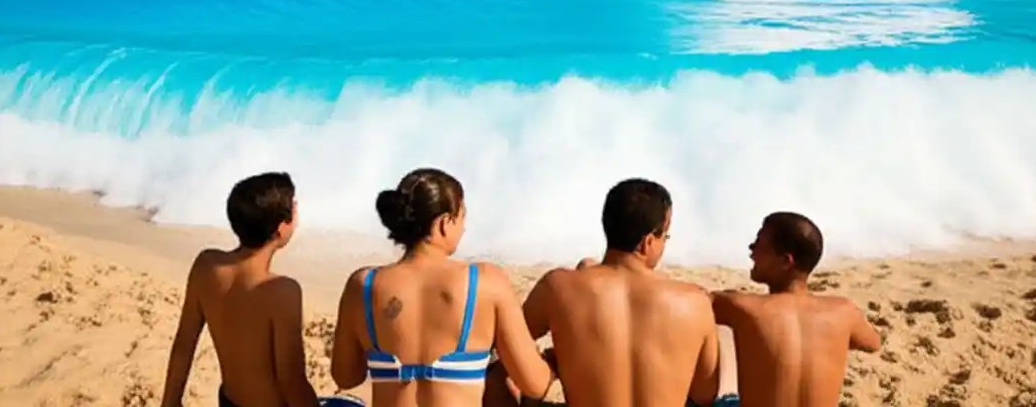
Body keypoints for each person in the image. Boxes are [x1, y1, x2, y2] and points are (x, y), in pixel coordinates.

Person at [330, 167, 555, 407]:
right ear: (444, 223)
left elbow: (346, 376)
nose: (464, 228)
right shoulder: (485, 281)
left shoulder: (363, 285)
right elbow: (535, 383)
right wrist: (553, 362)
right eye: (462, 217)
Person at [492, 178, 721, 407]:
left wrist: (552, 363)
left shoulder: (558, 287)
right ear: (647, 242)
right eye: (665, 237)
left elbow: (506, 344)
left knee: (495, 373)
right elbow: (704, 393)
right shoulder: (694, 302)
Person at [160, 172, 320, 407]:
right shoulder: (282, 291)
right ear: (281, 228)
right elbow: (291, 382)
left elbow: (184, 344)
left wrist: (170, 403)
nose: (296, 212)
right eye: (293, 208)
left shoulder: (207, 266)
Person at [711, 212, 881, 407]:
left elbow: (690, 302)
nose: (751, 249)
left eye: (758, 243)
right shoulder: (843, 311)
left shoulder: (742, 307)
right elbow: (873, 343)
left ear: (785, 261)